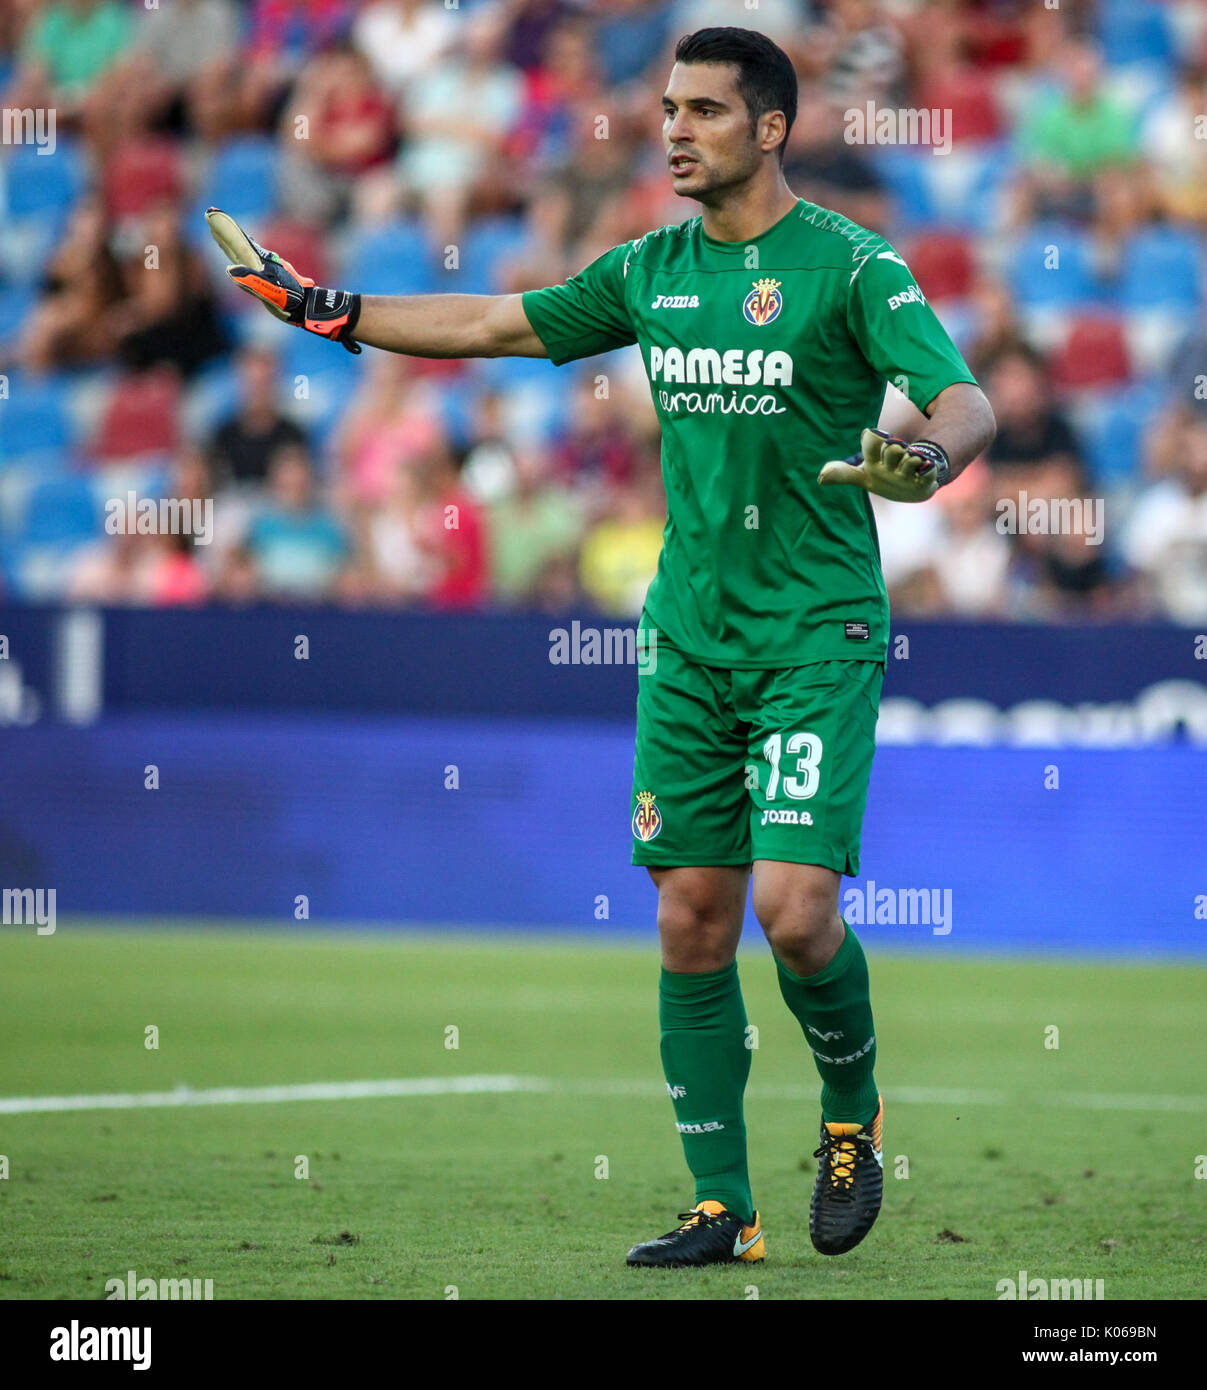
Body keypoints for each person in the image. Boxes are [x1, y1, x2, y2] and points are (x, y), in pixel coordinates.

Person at [210, 25, 995, 1268]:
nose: (674, 128)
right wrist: (329, 310)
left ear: (773, 128)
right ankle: (721, 1208)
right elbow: (488, 324)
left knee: (793, 915)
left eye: (704, 111)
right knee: (692, 916)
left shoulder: (852, 266)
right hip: (687, 636)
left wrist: (927, 459)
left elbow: (966, 397)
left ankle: (853, 1114)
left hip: (813, 630)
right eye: (668, 107)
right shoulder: (650, 268)